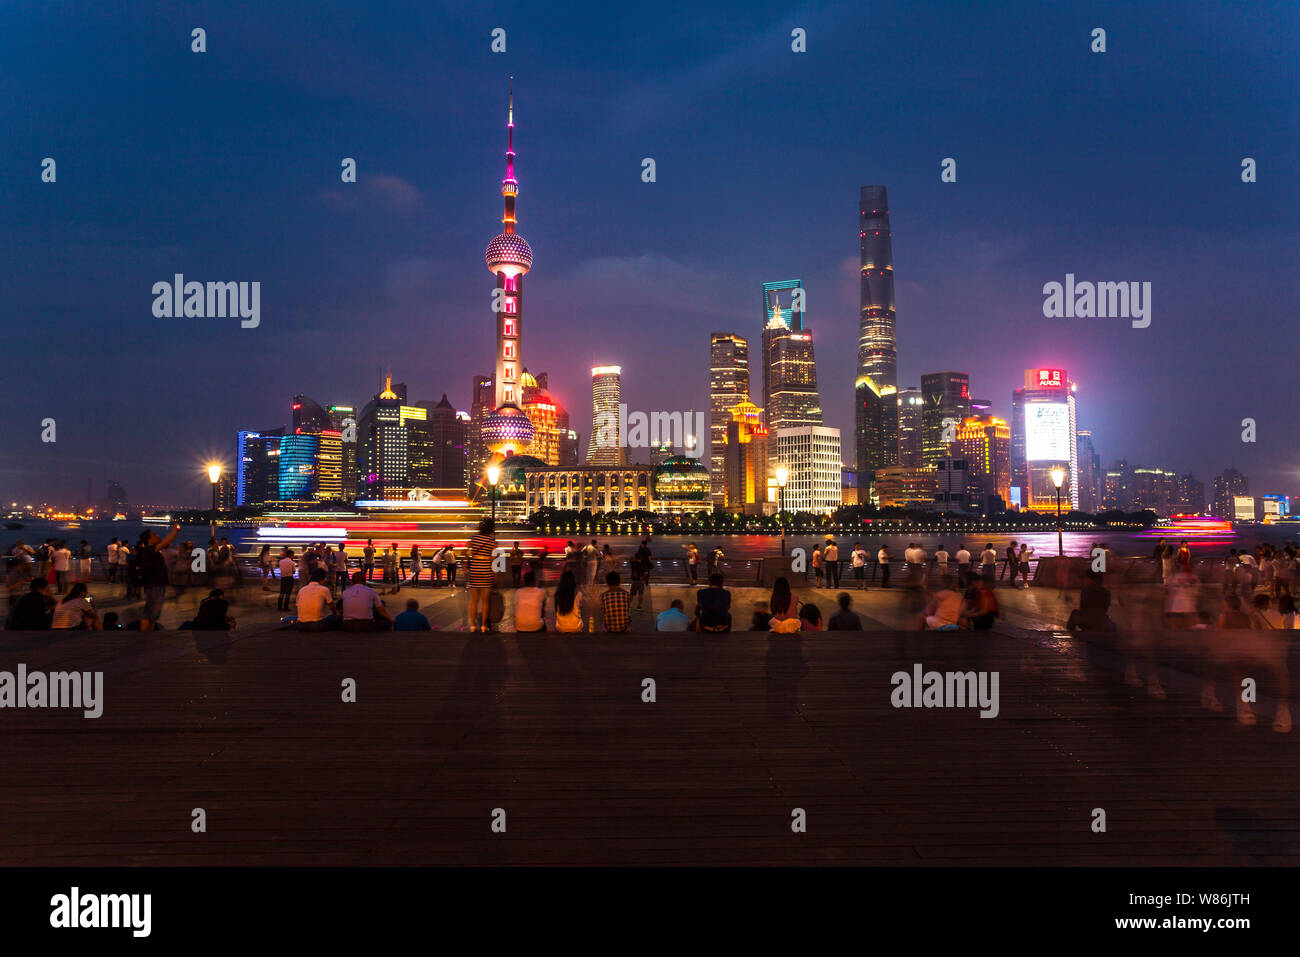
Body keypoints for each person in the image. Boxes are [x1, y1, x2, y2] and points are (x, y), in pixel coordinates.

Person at [135, 523, 181, 630]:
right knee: (150, 610)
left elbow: (166, 544)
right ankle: (145, 634)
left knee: (154, 612)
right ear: (149, 540)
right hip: (154, 585)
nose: (157, 535)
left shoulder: (149, 550)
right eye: (154, 535)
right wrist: (175, 531)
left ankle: (149, 632)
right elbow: (166, 541)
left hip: (157, 584)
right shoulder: (149, 549)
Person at [467, 518, 497, 633]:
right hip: (486, 571)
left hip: (474, 570)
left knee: (474, 600)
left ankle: (473, 626)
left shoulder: (474, 539)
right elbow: (495, 559)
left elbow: (465, 552)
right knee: (485, 601)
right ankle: (484, 626)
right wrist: (495, 575)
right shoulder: (491, 541)